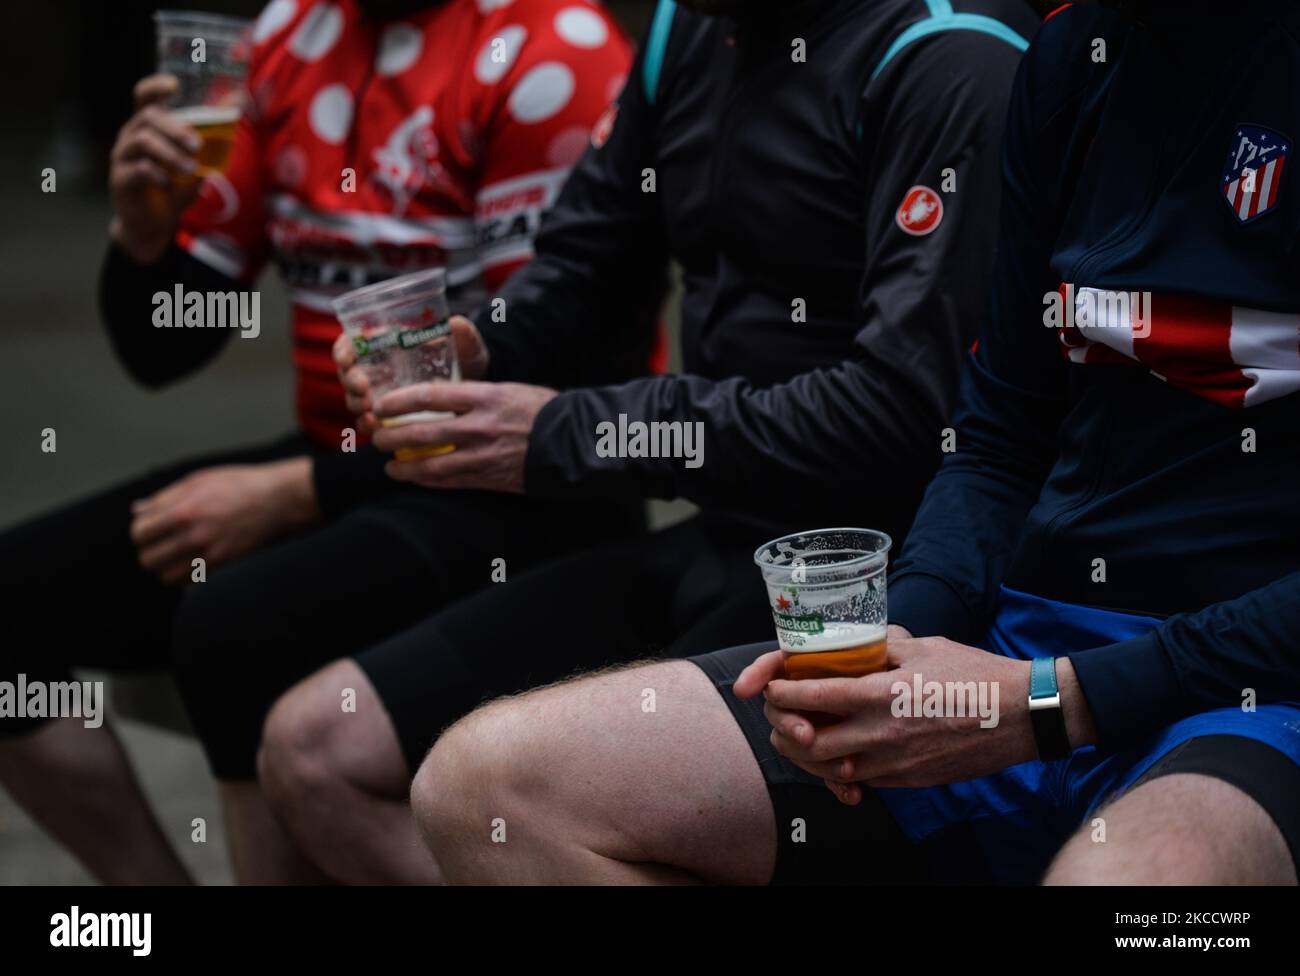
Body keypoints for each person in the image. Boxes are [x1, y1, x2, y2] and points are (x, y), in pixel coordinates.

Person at [410, 0, 1300, 886]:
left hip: (1249, 694)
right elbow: (997, 434)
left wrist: (1052, 704)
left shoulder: (958, 54)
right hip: (1013, 645)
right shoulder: (1073, 54)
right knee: (484, 791)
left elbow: (890, 412)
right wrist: (898, 646)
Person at [236, 0, 1040, 882]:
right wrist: (487, 342)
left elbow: (900, 419)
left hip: (869, 578)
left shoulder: (953, 57)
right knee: (316, 752)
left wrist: (579, 433)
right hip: (718, 537)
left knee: (507, 794)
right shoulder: (688, 25)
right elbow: (588, 267)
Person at [0, 0, 642, 883]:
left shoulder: (548, 50)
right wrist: (144, 233)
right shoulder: (287, 37)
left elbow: (562, 360)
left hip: (523, 488)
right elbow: (164, 349)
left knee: (232, 626)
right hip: (342, 457)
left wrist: (296, 492)